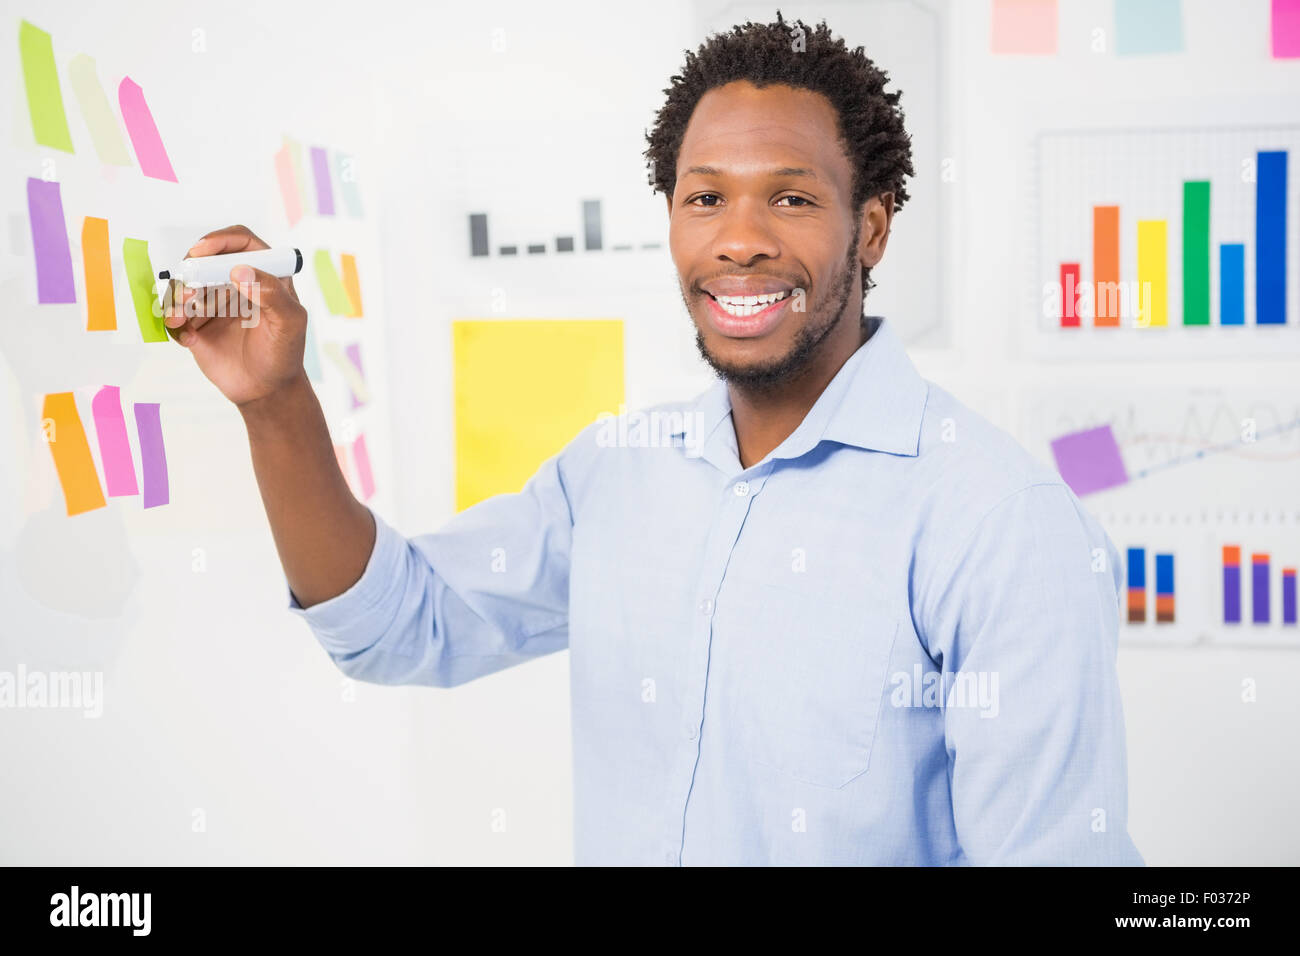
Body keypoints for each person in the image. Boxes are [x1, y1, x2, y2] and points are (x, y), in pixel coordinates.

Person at [164, 13, 1143, 866]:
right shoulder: (615, 471)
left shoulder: (1000, 524)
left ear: (873, 228)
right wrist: (276, 401)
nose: (739, 239)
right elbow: (397, 627)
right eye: (704, 197)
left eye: (792, 198)